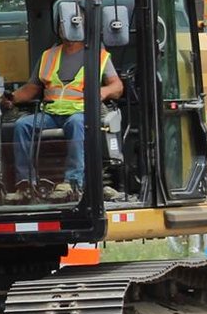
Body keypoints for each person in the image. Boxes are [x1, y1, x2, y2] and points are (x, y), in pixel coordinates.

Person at [7, 26, 122, 200]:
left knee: (76, 123)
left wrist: (103, 92)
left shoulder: (97, 55)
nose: (68, 28)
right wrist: (11, 98)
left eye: (74, 23)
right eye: (63, 24)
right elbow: (31, 88)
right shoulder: (49, 55)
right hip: (51, 114)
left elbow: (117, 87)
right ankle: (25, 184)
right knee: (22, 125)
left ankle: (72, 182)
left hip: (80, 112)